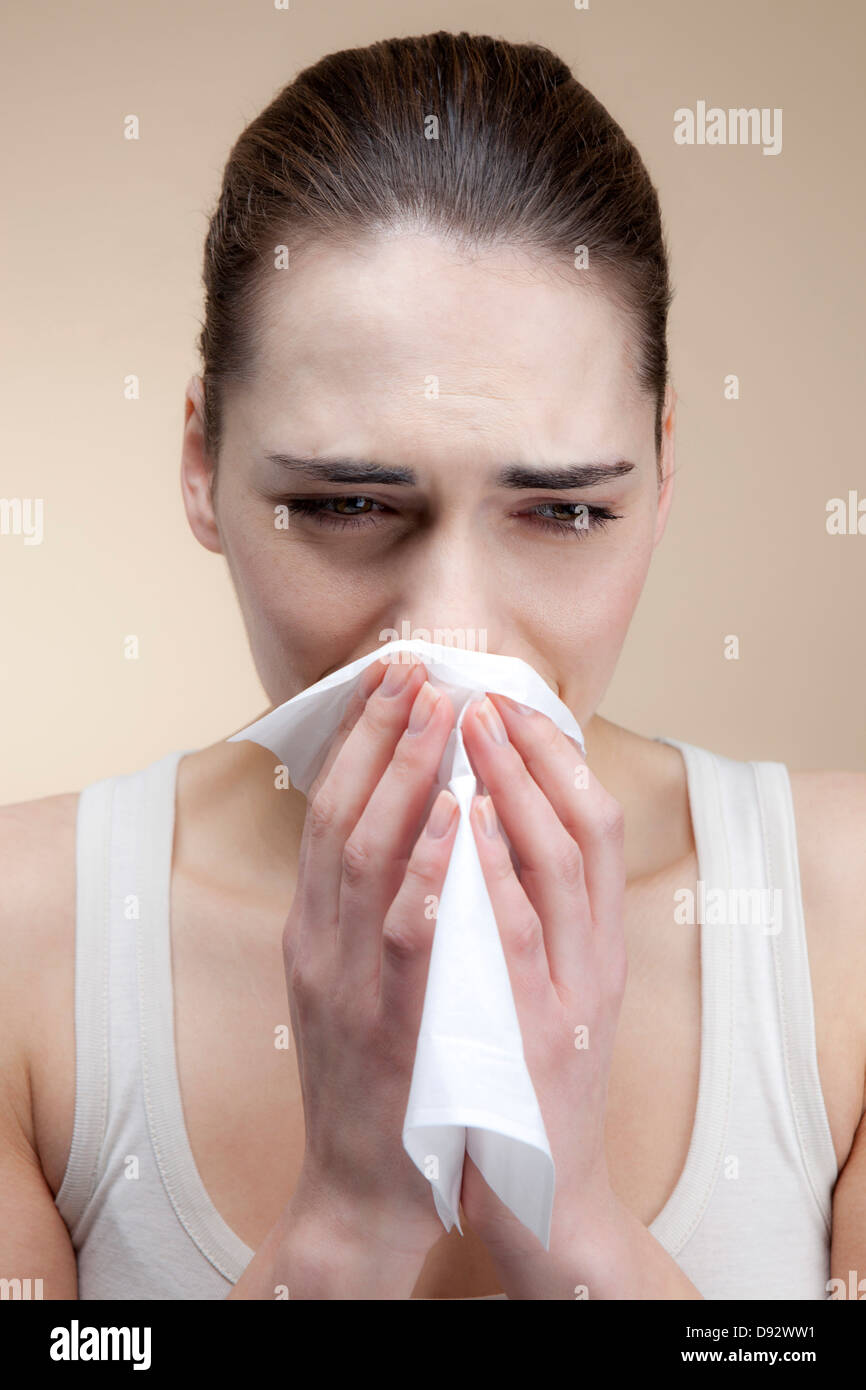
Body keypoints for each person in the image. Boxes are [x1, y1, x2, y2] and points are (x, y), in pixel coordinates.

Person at [1, 30, 864, 1302]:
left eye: (564, 513)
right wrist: (345, 1223)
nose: (452, 629)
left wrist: (570, 1225)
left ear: (663, 473)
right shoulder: (29, 946)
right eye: (347, 506)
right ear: (202, 464)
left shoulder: (841, 918)